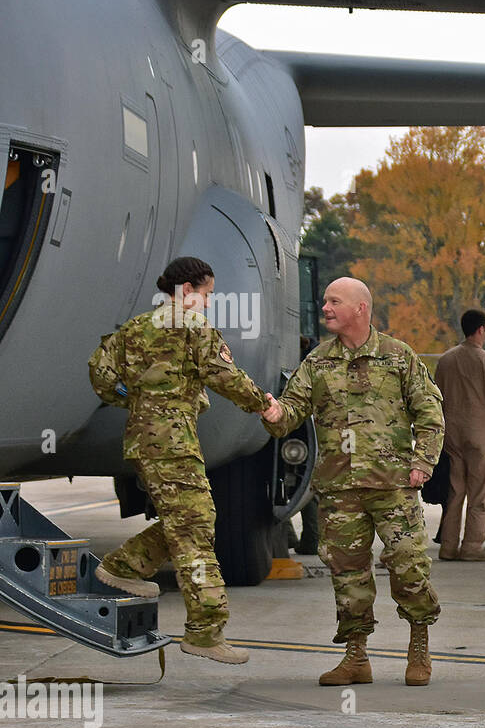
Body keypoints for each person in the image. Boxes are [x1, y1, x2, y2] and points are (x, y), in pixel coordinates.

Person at [89, 256, 280, 664]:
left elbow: (102, 376)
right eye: (208, 294)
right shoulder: (194, 327)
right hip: (174, 442)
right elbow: (225, 376)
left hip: (143, 439)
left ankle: (124, 566)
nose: (209, 304)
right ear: (189, 290)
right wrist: (261, 403)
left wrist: (132, 399)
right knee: (195, 524)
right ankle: (205, 631)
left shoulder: (136, 327)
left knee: (191, 519)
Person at [262, 277, 445, 687]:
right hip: (339, 488)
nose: (325, 307)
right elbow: (292, 409)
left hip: (394, 485)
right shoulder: (317, 362)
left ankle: (419, 644)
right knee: (347, 573)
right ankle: (356, 656)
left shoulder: (399, 357)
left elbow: (430, 412)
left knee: (408, 565)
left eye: (334, 301)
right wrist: (275, 414)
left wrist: (423, 463)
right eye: (325, 301)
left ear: (360, 308)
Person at [434, 309, 485, 561]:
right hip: (479, 434)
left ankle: (448, 545)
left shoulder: (445, 360)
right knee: (479, 491)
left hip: (451, 433)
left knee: (455, 490)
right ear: (481, 329)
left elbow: (435, 399)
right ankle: (472, 546)